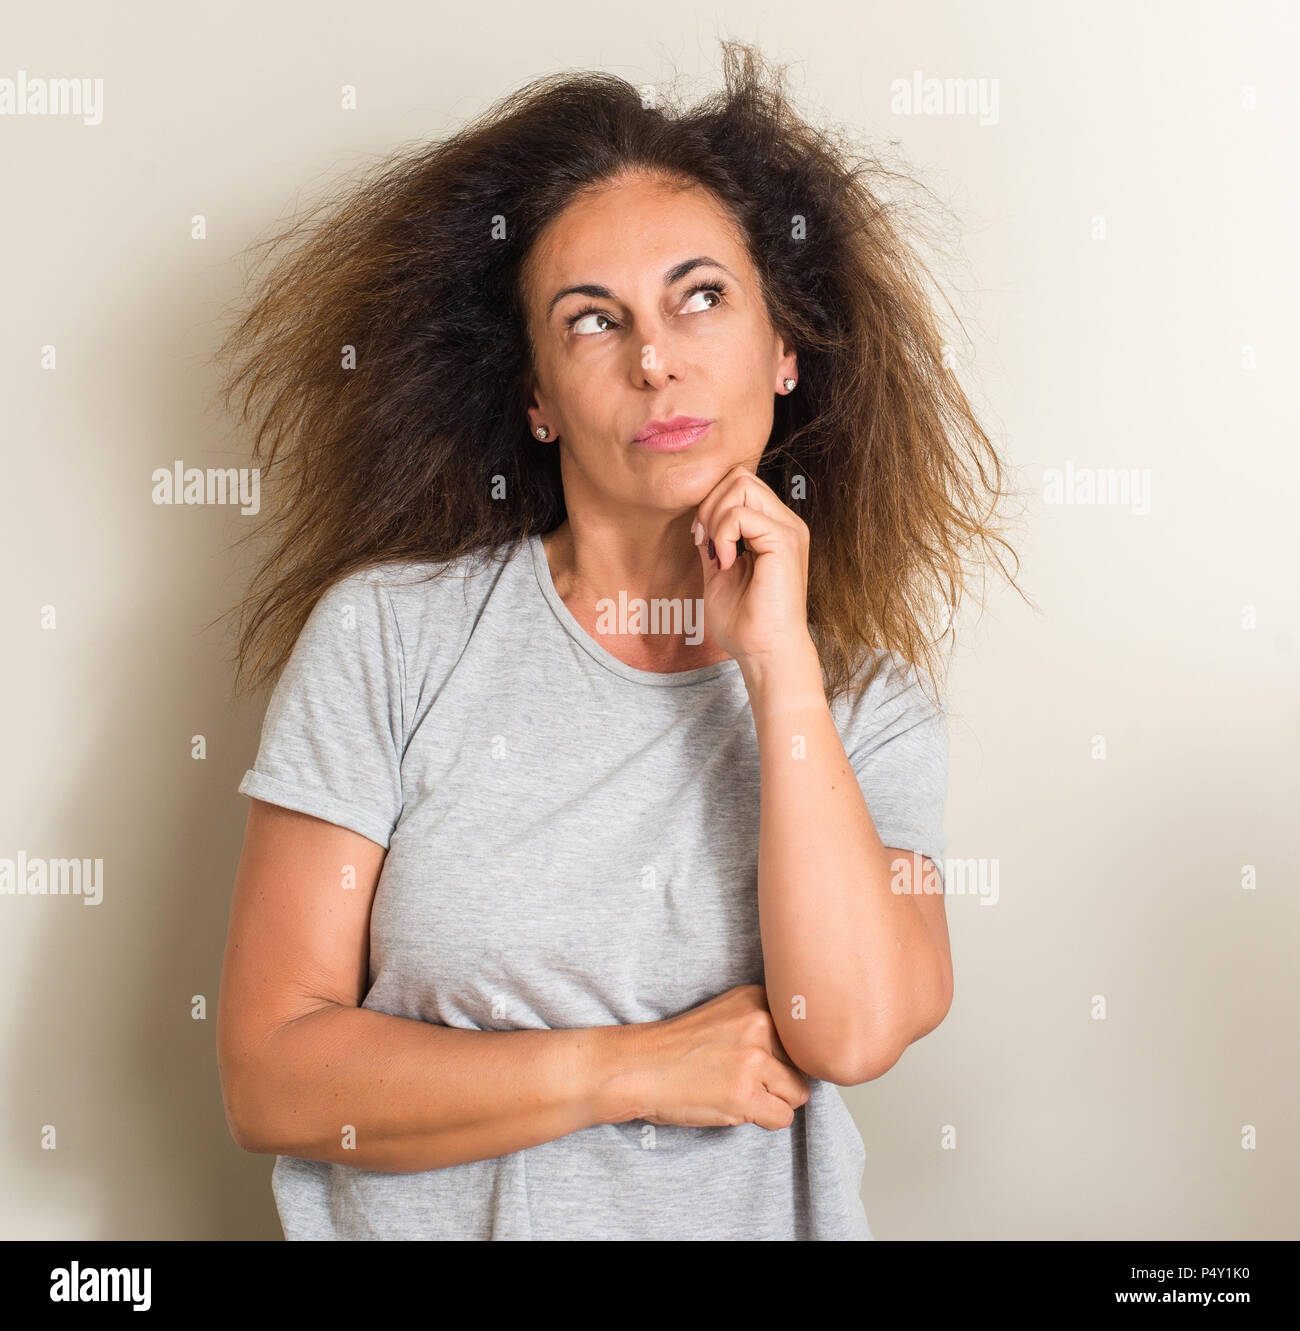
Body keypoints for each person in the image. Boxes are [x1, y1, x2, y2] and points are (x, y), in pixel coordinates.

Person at [213, 41, 1021, 1241]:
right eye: (593, 321)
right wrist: (626, 1068)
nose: (656, 358)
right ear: (536, 396)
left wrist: (780, 668)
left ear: (783, 350)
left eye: (702, 297)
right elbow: (271, 1072)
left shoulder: (865, 702)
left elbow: (849, 1027)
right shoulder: (391, 638)